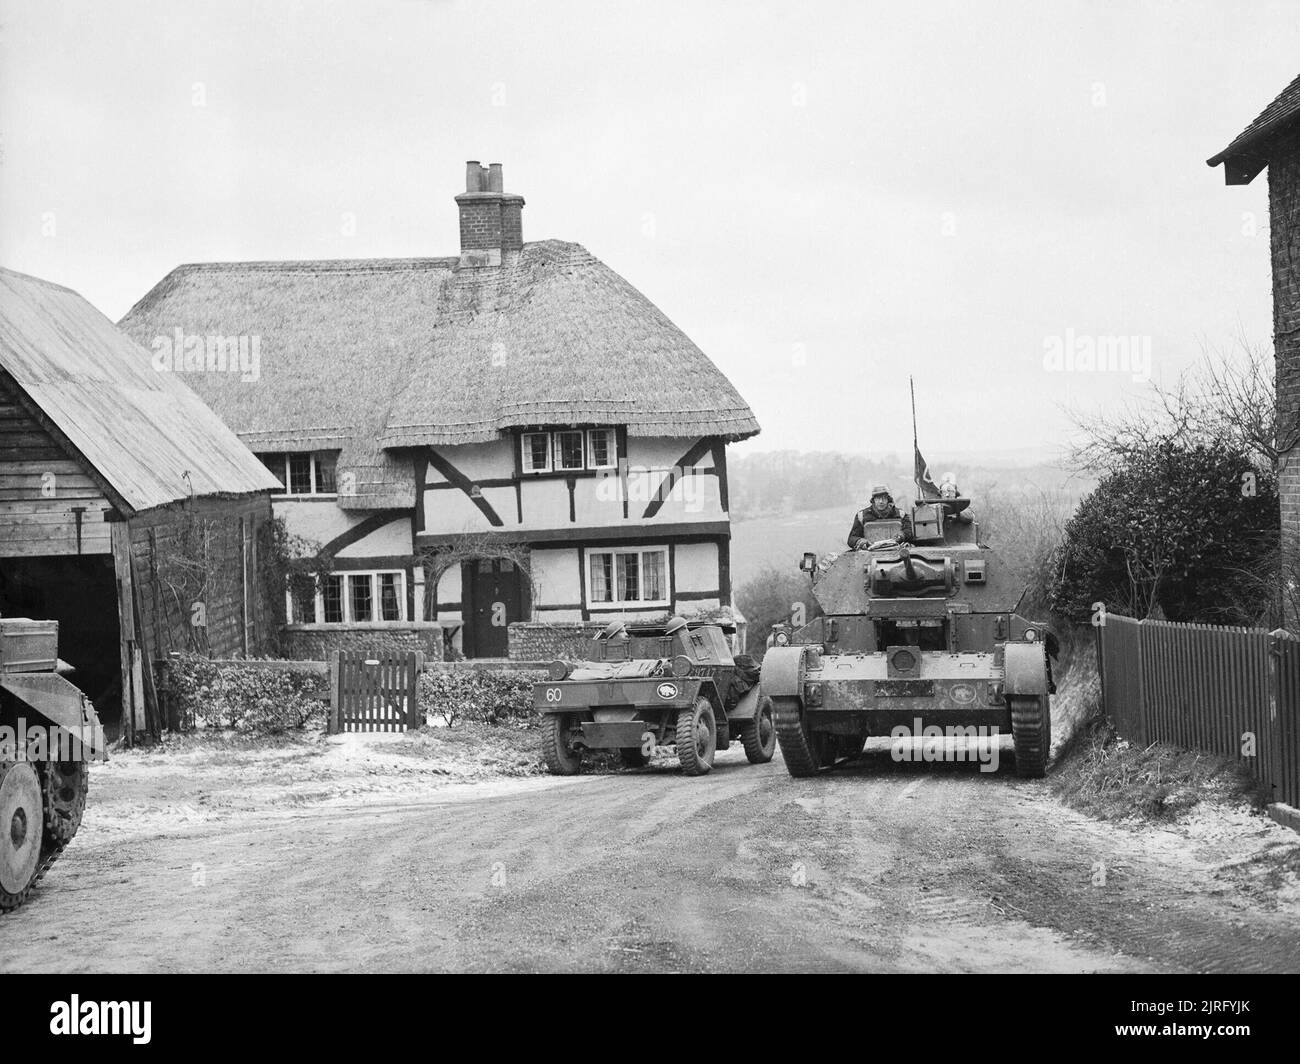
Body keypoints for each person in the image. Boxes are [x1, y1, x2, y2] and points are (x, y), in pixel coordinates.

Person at [848, 485, 912, 549]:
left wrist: (902, 535)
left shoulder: (901, 514)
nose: (881, 501)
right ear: (873, 500)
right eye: (878, 498)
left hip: (896, 552)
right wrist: (861, 541)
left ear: (888, 499)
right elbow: (851, 539)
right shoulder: (861, 516)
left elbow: (909, 532)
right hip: (869, 553)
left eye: (884, 498)